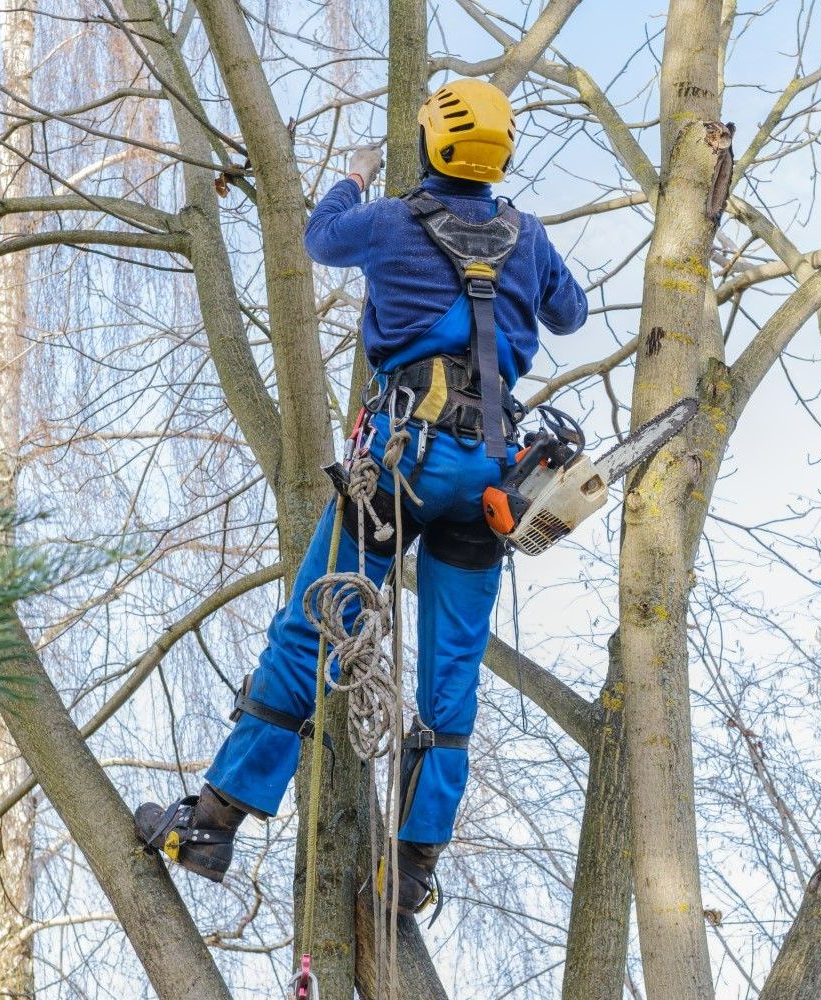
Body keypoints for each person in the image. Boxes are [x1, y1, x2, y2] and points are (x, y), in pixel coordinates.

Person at [134, 78, 587, 916]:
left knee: (315, 624)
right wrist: (524, 260)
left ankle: (212, 824)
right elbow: (572, 314)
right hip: (491, 476)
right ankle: (412, 867)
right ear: (501, 155)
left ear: (429, 147)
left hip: (404, 458)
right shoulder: (529, 239)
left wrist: (352, 174)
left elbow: (320, 237)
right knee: (452, 672)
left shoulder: (389, 221)